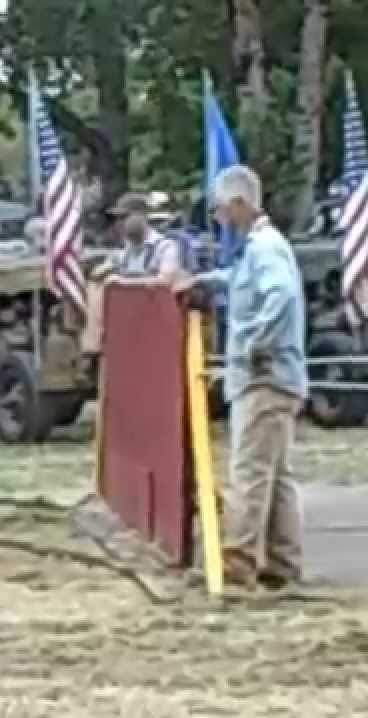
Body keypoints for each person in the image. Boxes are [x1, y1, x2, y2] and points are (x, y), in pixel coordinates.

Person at [180, 165, 307, 590]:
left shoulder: (265, 247)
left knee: (249, 470)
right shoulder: (260, 249)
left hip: (263, 377)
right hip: (280, 378)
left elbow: (281, 296)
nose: (218, 218)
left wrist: (253, 343)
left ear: (239, 204)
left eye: (219, 210)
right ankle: (282, 560)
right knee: (277, 472)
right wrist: (207, 280)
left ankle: (237, 561)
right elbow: (244, 282)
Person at [93, 192, 182, 286]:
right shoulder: (125, 250)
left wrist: (123, 282)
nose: (118, 223)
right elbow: (98, 273)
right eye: (116, 218)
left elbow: (165, 281)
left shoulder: (165, 247)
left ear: (141, 216)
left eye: (124, 217)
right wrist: (102, 270)